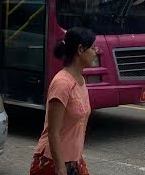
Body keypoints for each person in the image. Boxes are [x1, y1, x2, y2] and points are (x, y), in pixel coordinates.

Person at [32, 27, 97, 175]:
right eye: (93, 48)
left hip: (74, 161)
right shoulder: (61, 84)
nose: (96, 52)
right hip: (52, 162)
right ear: (80, 50)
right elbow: (53, 132)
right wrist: (60, 169)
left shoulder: (80, 80)